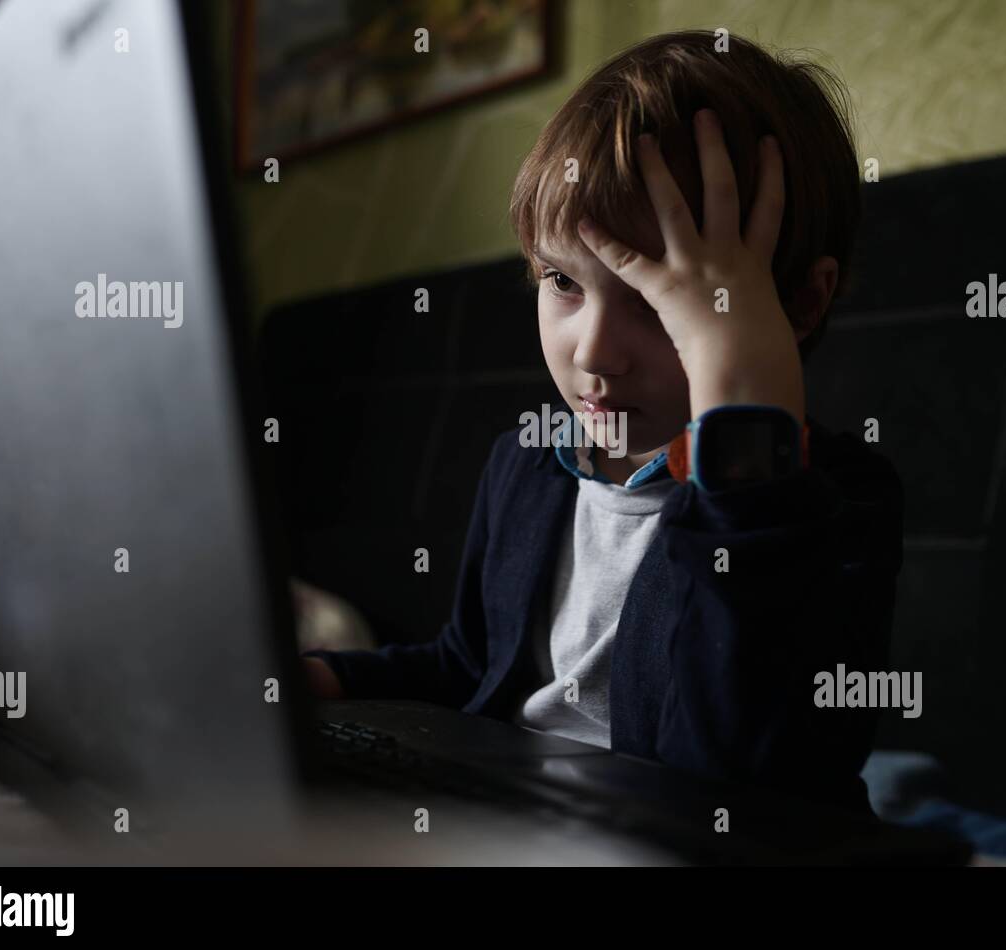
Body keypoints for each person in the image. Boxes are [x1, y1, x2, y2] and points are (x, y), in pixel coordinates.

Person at [301, 30, 902, 814]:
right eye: (562, 281)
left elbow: (743, 765)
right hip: (508, 815)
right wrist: (328, 676)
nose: (594, 351)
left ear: (799, 305)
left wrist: (745, 427)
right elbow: (468, 666)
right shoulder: (528, 462)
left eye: (658, 299)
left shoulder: (832, 497)